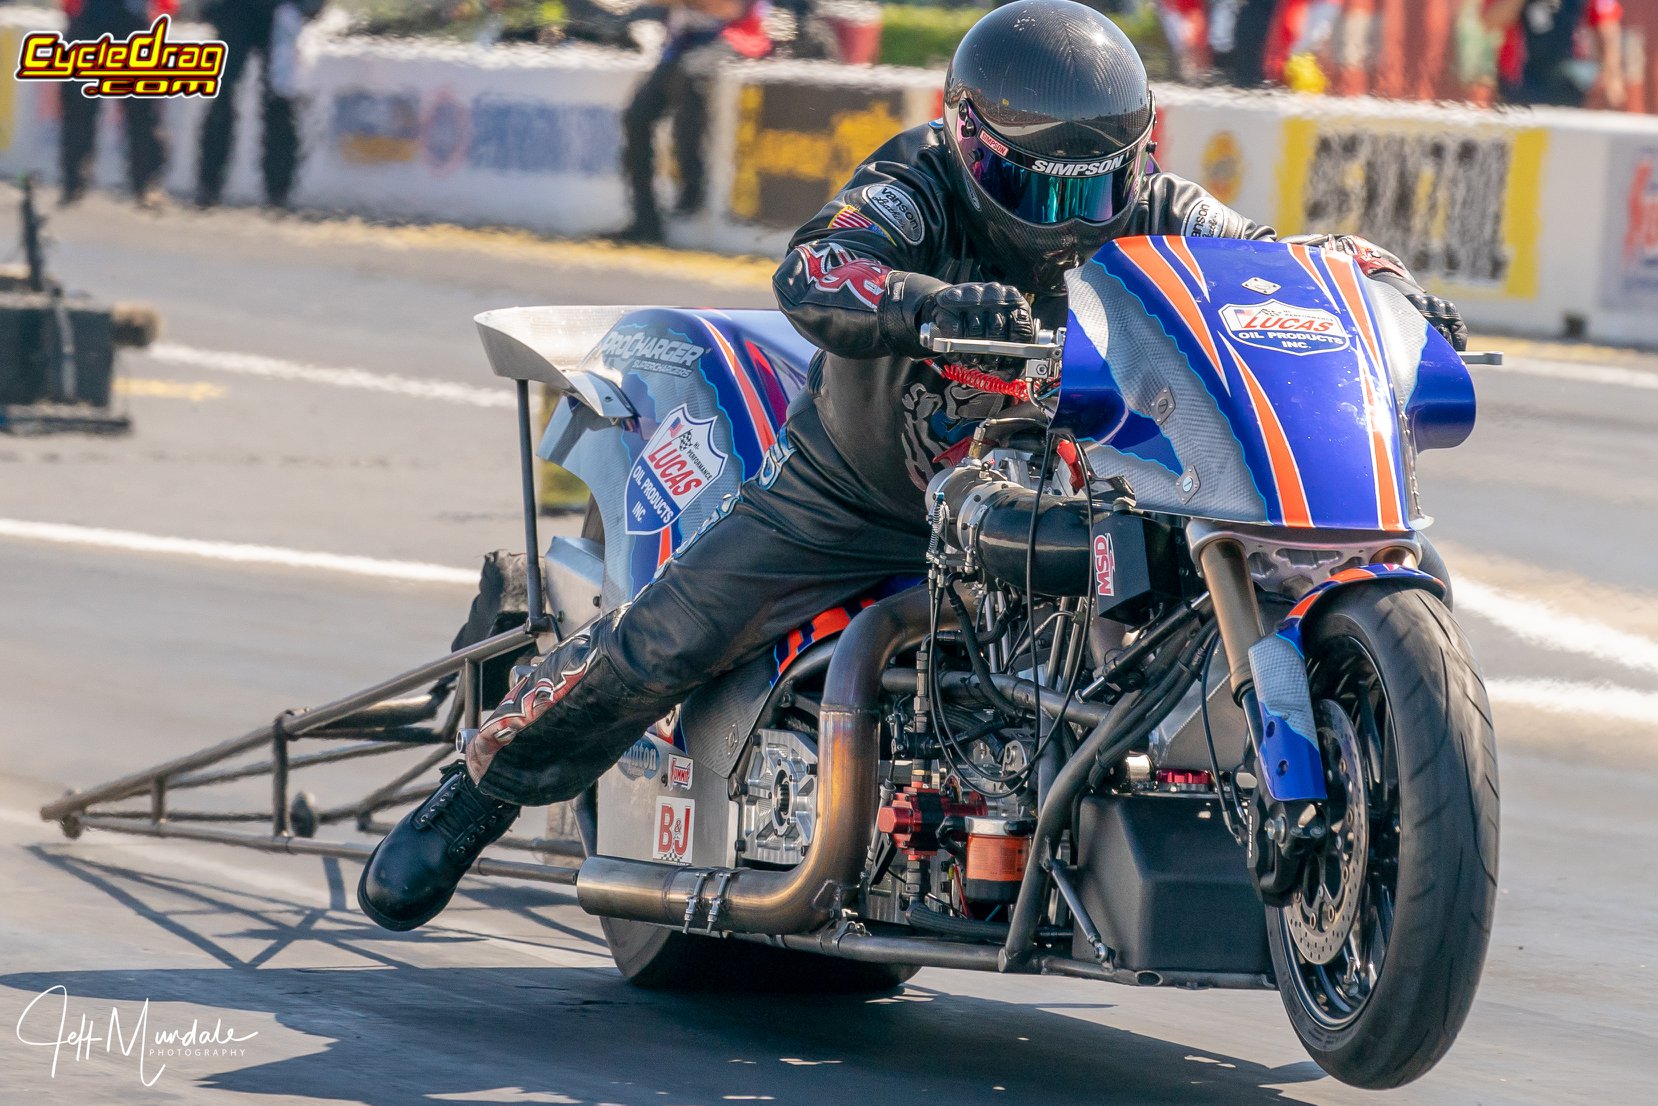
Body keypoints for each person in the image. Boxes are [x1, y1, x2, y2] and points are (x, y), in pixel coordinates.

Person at [357, 0, 1468, 932]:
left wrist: (1382, 295)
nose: (1072, 217)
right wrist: (929, 302)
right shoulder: (918, 183)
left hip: (1070, 491)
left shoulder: (1162, 212)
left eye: (1097, 186)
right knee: (670, 630)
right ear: (973, 145)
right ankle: (476, 792)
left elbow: (1274, 264)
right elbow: (816, 266)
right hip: (854, 495)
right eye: (1043, 189)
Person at [617, 0, 772, 243]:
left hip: (732, 38)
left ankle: (692, 189)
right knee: (637, 116)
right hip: (681, 45)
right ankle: (645, 221)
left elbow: (730, 8)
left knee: (691, 77)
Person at [194, 0, 324, 210]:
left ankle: (278, 192)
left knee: (280, 101)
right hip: (234, 10)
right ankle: (208, 186)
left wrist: (310, 7)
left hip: (282, 11)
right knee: (221, 95)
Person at [57, 0, 173, 207]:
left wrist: (163, 8)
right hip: (90, 14)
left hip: (133, 16)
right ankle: (72, 180)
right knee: (78, 102)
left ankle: (146, 183)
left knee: (143, 108)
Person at [1487, 0, 1627, 107]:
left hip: (1573, 79)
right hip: (1526, 80)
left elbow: (1608, 27)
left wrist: (1612, 75)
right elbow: (1491, 21)